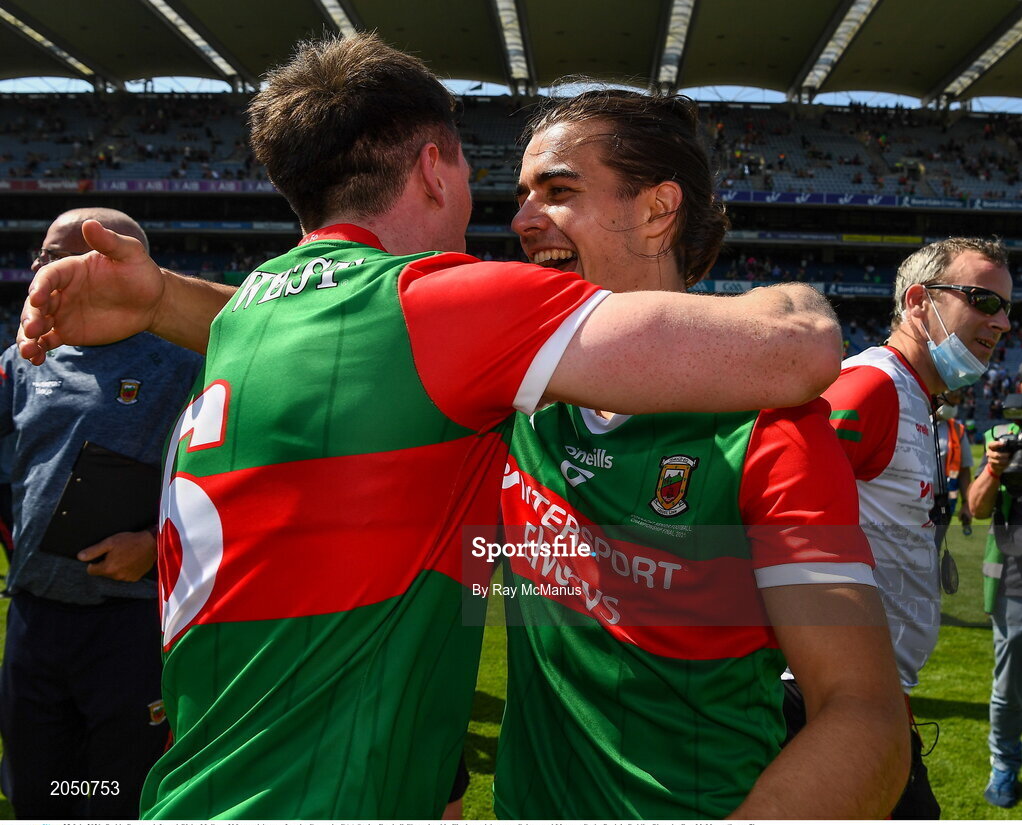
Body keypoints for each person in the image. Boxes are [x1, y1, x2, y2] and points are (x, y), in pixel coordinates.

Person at [17, 35, 844, 819]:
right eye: (506, 188)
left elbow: (359, 333)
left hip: (198, 788)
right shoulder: (450, 319)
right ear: (432, 170)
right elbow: (799, 345)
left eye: (554, 192)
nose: (517, 218)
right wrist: (799, 301)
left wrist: (162, 296)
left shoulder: (261, 315)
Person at [495, 90, 907, 819]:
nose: (522, 220)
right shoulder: (512, 393)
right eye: (522, 196)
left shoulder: (767, 428)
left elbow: (864, 715)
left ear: (658, 210)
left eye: (558, 192)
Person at [0, 208, 203, 818]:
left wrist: (153, 547)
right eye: (40, 255)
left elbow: (232, 486)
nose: (42, 269)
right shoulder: (23, 358)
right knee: (37, 789)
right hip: (34, 612)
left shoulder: (186, 362)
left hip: (131, 619)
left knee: (115, 791)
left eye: (59, 256)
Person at [816, 237, 1012, 817]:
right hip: (828, 696)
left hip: (869, 693)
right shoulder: (870, 387)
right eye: (983, 300)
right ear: (919, 301)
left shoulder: (917, 398)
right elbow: (769, 518)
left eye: (1007, 308)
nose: (1002, 323)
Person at [970, 392, 1022, 808]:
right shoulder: (1003, 436)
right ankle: (1004, 763)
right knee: (1009, 682)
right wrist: (994, 468)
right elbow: (976, 507)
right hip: (1014, 575)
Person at [933, 389, 973, 548]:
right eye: (951, 398)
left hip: (943, 500)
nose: (954, 404)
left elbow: (964, 470)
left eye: (957, 399)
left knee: (934, 548)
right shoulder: (914, 424)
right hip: (913, 499)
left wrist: (966, 503)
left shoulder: (957, 430)